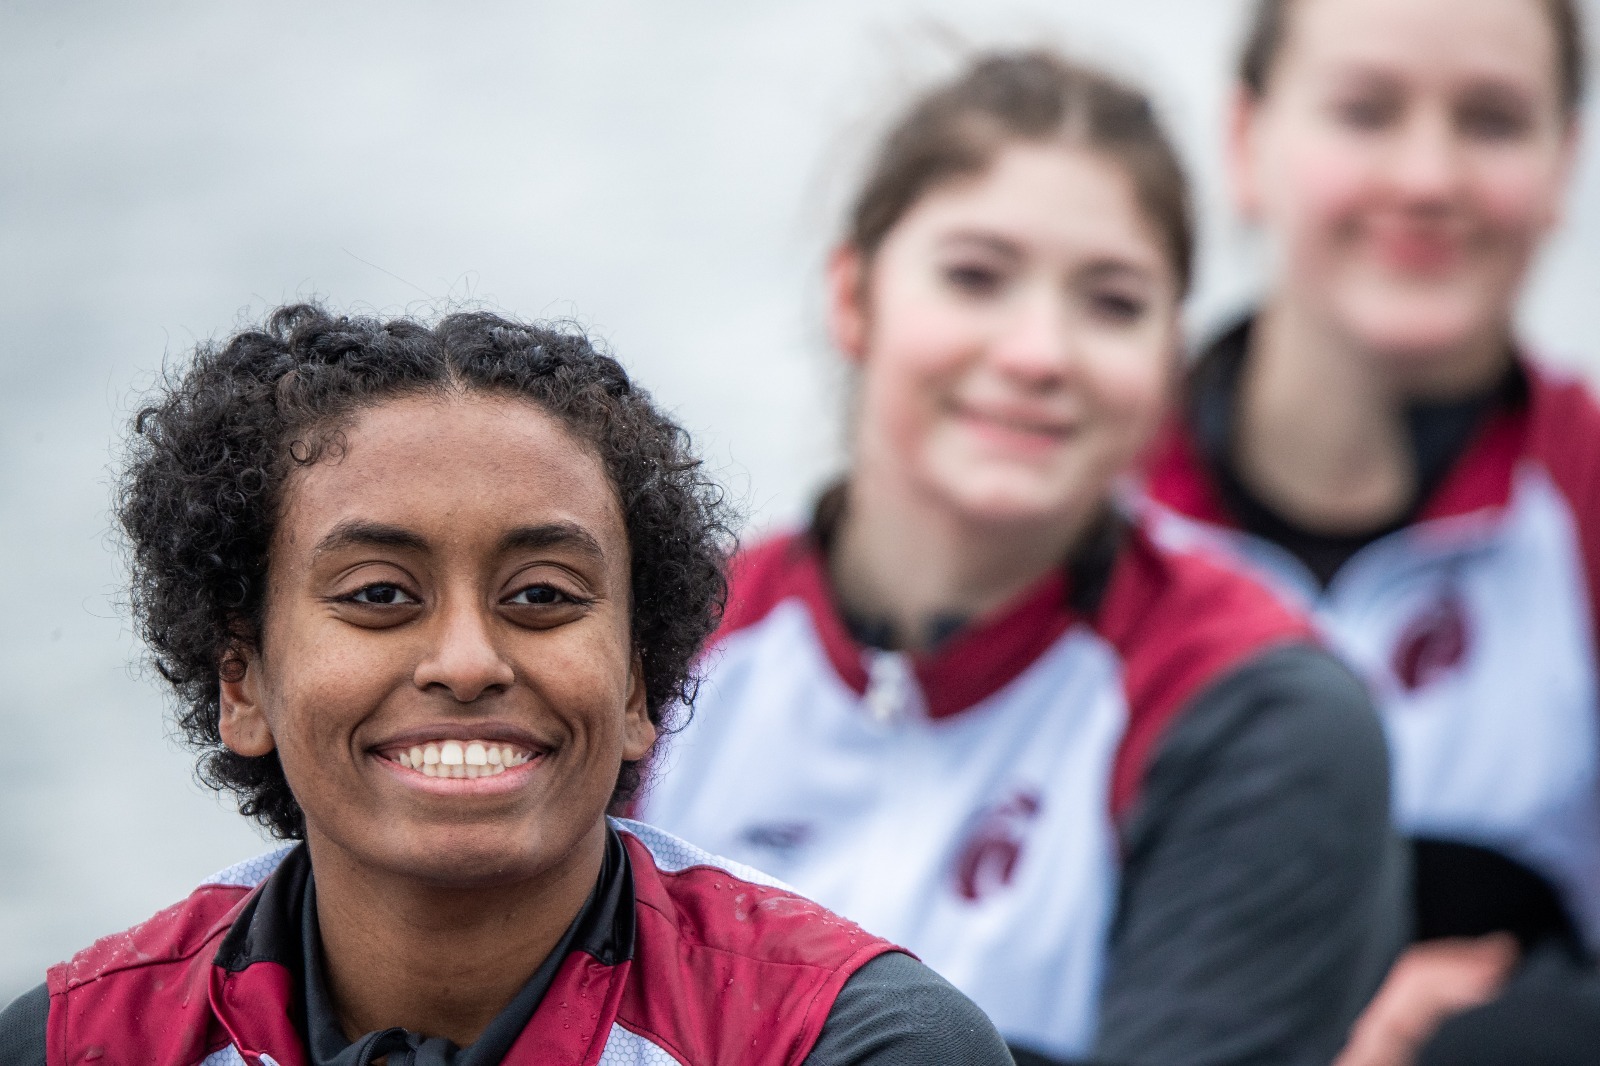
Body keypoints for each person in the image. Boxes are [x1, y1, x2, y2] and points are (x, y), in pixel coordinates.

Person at [636, 50, 1405, 1066]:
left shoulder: (1260, 711)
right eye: (975, 277)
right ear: (853, 298)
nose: (1039, 352)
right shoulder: (674, 637)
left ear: (1170, 357)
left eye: (1113, 302)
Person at [0, 305, 1015, 1066]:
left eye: (541, 594)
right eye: (379, 593)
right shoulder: (79, 1038)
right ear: (242, 680)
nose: (468, 659)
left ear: (635, 684)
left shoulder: (849, 1043)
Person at [1142, 0, 1600, 1062]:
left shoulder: (1578, 494)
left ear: (1563, 162)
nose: (1428, 177)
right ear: (1245, 143)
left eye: (1490, 120)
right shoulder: (1074, 491)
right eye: (1364, 111)